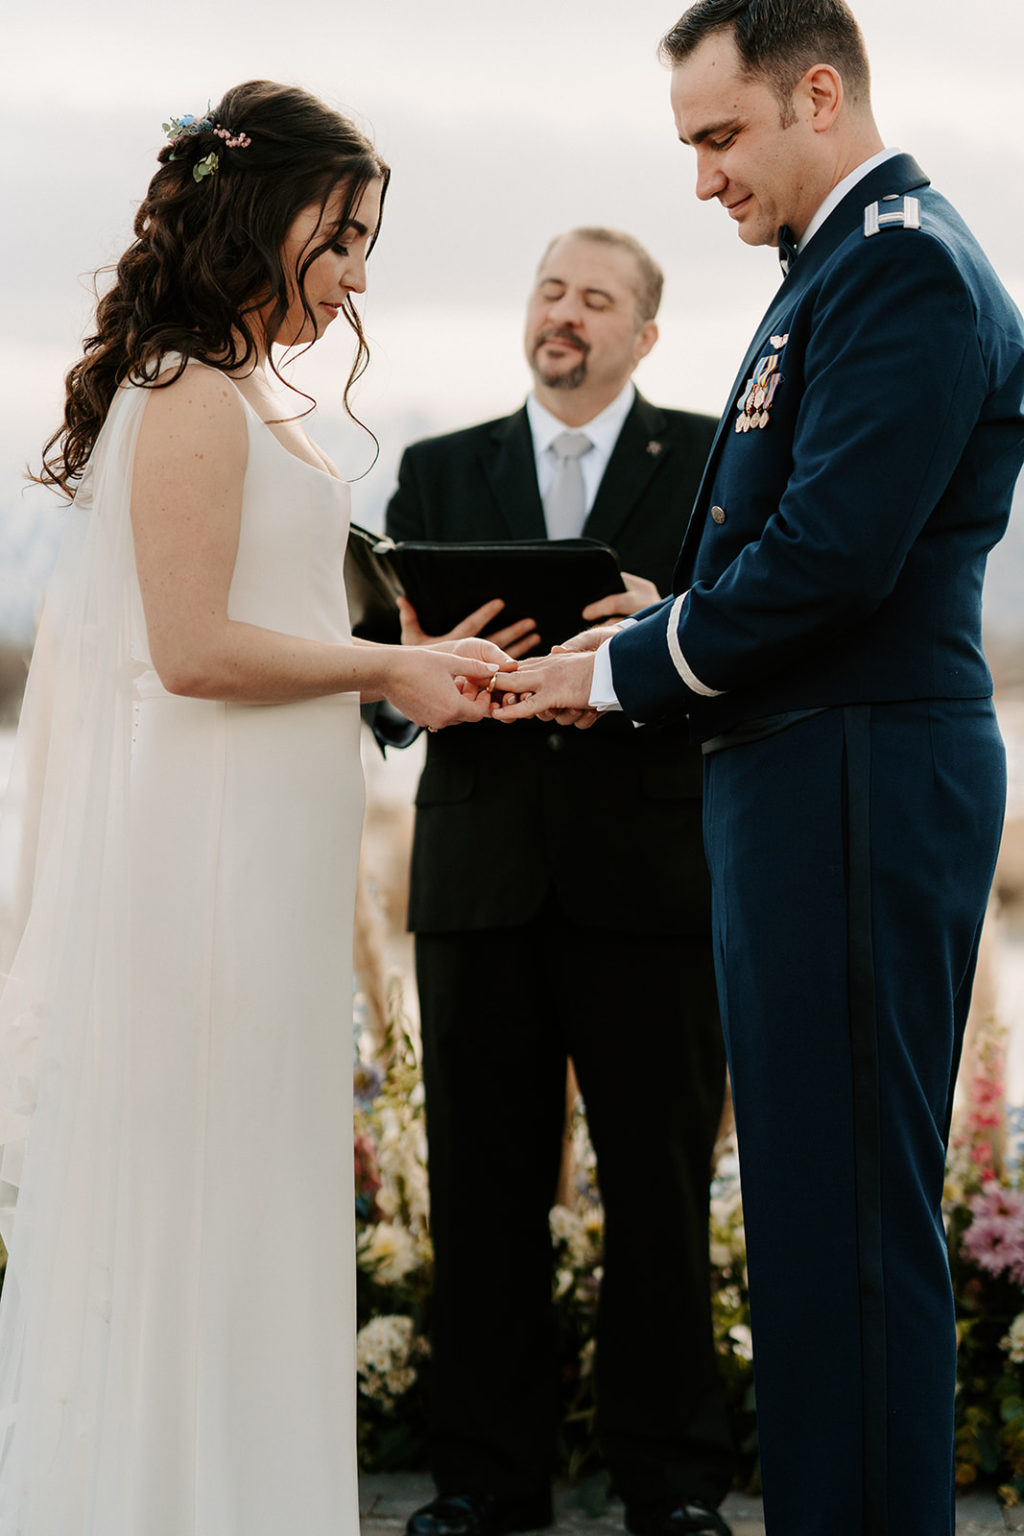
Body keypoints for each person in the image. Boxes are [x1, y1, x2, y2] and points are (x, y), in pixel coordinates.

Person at [491, 7, 1024, 1536]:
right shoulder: (843, 267)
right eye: (689, 147)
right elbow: (794, 555)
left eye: (721, 138)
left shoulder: (905, 264)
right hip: (803, 774)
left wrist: (613, 671)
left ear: (817, 92)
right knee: (804, 1224)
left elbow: (830, 567)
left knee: (846, 1233)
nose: (706, 179)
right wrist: (667, 626)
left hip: (854, 776)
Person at [0, 80, 511, 1536]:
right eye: (340, 238)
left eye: (367, 246)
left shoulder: (243, 397)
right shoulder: (185, 397)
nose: (356, 277)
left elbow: (272, 622)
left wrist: (412, 650)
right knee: (200, 1210)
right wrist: (387, 666)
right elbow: (190, 649)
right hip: (202, 889)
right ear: (258, 211)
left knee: (258, 1214)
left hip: (267, 882)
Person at [386, 229, 734, 1536]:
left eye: (598, 299)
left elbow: (757, 645)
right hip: (477, 877)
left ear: (646, 335)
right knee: (482, 1196)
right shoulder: (436, 472)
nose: (565, 315)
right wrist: (420, 674)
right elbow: (382, 688)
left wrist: (667, 622)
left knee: (658, 1198)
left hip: (656, 881)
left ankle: (675, 1487)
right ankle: (484, 1483)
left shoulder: (714, 462)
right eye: (549, 290)